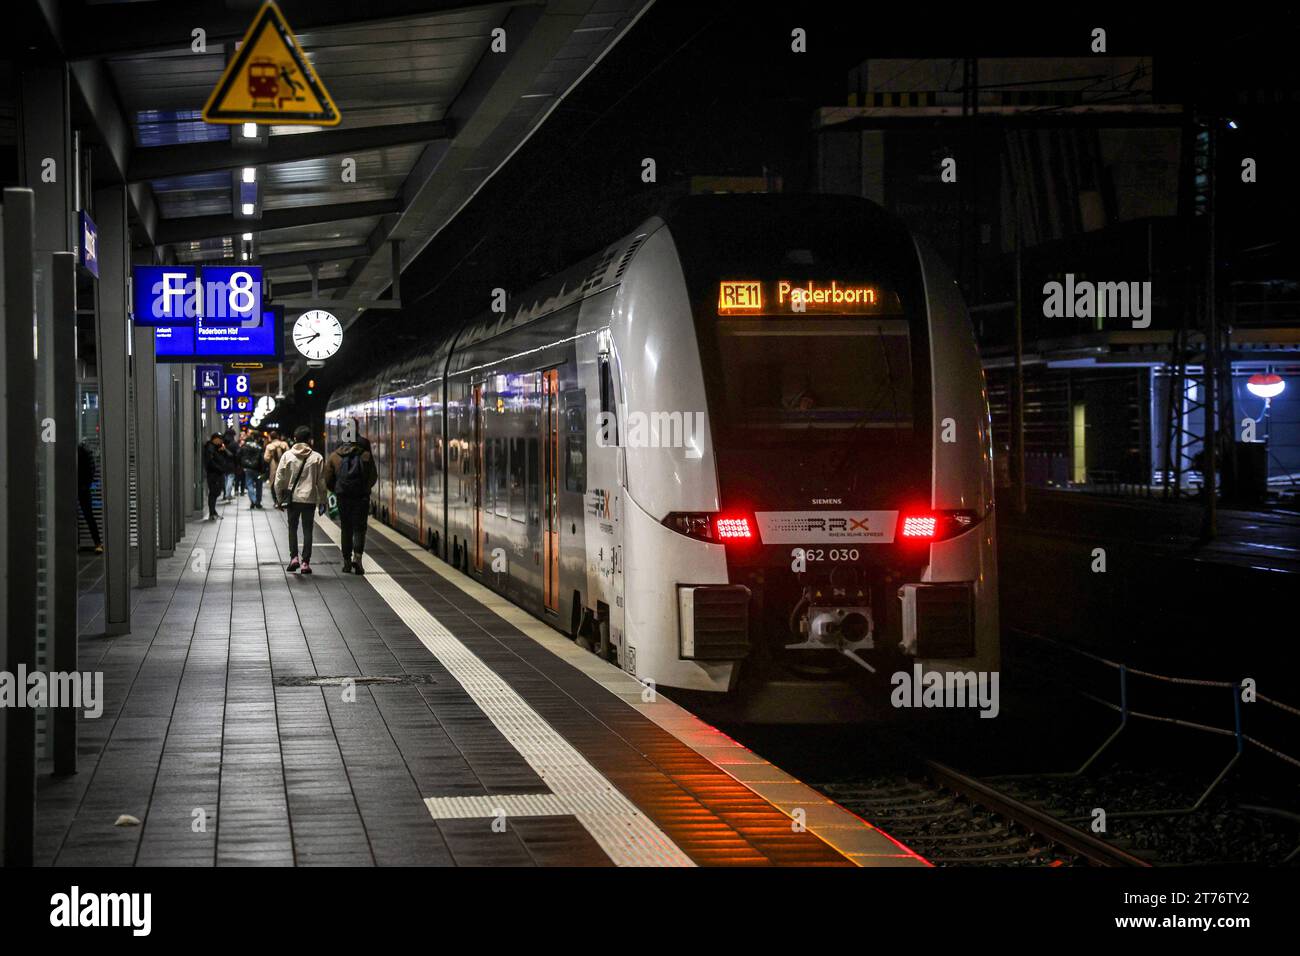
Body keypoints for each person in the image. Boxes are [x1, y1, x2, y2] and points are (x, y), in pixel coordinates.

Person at [273, 425, 327, 574]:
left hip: (293, 500)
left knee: (292, 528)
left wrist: (279, 499)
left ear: (295, 439)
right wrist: (323, 500)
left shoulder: (287, 456)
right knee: (308, 530)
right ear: (310, 440)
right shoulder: (317, 457)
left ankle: (294, 558)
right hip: (309, 499)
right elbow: (321, 482)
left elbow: (278, 480)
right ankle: (305, 563)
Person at [324, 433, 378, 574]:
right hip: (361, 498)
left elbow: (328, 479)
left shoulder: (334, 456)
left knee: (346, 529)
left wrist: (336, 489)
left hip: (343, 498)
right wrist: (365, 489)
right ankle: (358, 559)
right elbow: (373, 477)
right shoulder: (365, 455)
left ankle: (347, 562)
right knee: (359, 529)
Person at [77, 442, 103, 554]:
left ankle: (97, 543)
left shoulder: (82, 450)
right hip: (82, 487)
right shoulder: (82, 449)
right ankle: (97, 544)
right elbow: (92, 468)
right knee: (89, 516)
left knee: (88, 516)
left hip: (81, 487)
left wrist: (84, 485)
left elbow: (91, 468)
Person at [202, 433, 236, 519]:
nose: (221, 441)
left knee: (216, 493)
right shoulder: (210, 448)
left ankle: (213, 512)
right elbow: (210, 462)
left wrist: (224, 450)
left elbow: (230, 456)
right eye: (220, 439)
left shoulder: (218, 448)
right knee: (213, 493)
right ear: (215, 439)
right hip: (214, 474)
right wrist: (219, 469)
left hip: (218, 473)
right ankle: (212, 513)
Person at [238, 430, 267, 508]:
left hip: (247, 468)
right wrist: (263, 470)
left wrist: (241, 465)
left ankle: (253, 500)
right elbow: (262, 459)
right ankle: (258, 502)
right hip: (257, 469)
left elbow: (238, 455)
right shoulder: (259, 447)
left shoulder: (244, 446)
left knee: (249, 485)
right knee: (259, 486)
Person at [264, 430, 289, 509]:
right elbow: (289, 454)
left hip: (274, 467)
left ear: (270, 437)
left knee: (274, 484)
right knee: (285, 483)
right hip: (285, 467)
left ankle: (276, 501)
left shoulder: (269, 446)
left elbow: (266, 458)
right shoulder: (284, 444)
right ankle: (284, 500)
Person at [222, 427, 239, 500]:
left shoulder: (222, 442)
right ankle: (228, 494)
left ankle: (225, 493)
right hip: (231, 463)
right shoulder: (234, 443)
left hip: (223, 462)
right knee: (230, 478)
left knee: (225, 479)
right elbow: (237, 455)